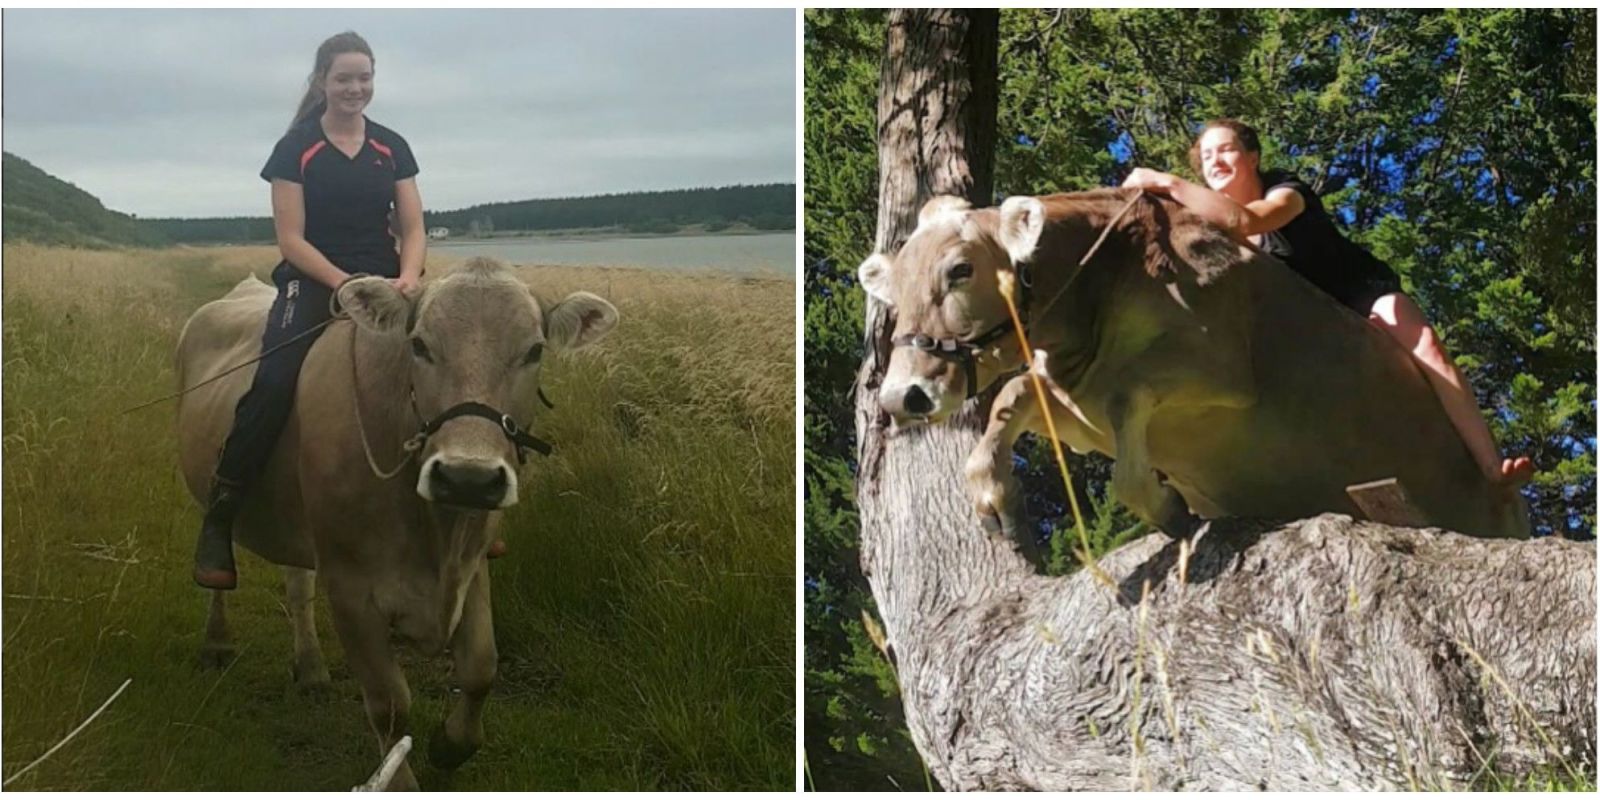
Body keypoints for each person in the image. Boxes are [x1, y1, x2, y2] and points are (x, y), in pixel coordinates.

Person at [1119, 118, 1533, 493]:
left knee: (1429, 351)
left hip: (1356, 293)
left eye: (1225, 149)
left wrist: (1169, 183)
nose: (1215, 161)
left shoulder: (1287, 189)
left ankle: (1491, 467)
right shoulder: (1204, 224)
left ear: (1253, 157)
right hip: (1300, 326)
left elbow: (1249, 221)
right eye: (1206, 156)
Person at [193, 31, 425, 590]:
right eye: (344, 78)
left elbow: (413, 226)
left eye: (364, 77)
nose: (355, 88)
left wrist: (410, 278)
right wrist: (344, 283)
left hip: (390, 283)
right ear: (322, 81)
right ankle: (222, 512)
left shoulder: (392, 146)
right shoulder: (295, 148)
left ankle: (470, 509)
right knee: (273, 382)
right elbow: (291, 239)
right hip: (315, 281)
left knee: (454, 367)